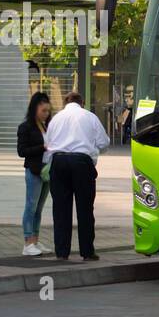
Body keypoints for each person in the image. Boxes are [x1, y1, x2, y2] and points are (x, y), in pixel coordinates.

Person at [44, 91, 109, 260]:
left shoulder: (56, 119)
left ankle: (62, 252)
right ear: (83, 103)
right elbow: (104, 142)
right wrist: (93, 149)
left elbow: (48, 144)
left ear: (65, 103)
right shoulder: (90, 117)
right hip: (82, 163)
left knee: (60, 209)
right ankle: (87, 252)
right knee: (85, 208)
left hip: (58, 163)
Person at [16, 91, 52, 256]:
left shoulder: (46, 125)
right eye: (43, 111)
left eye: (47, 111)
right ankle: (27, 242)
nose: (46, 114)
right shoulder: (26, 127)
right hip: (34, 170)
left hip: (46, 171)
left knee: (39, 208)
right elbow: (22, 151)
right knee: (30, 206)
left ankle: (35, 241)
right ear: (34, 109)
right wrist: (41, 148)